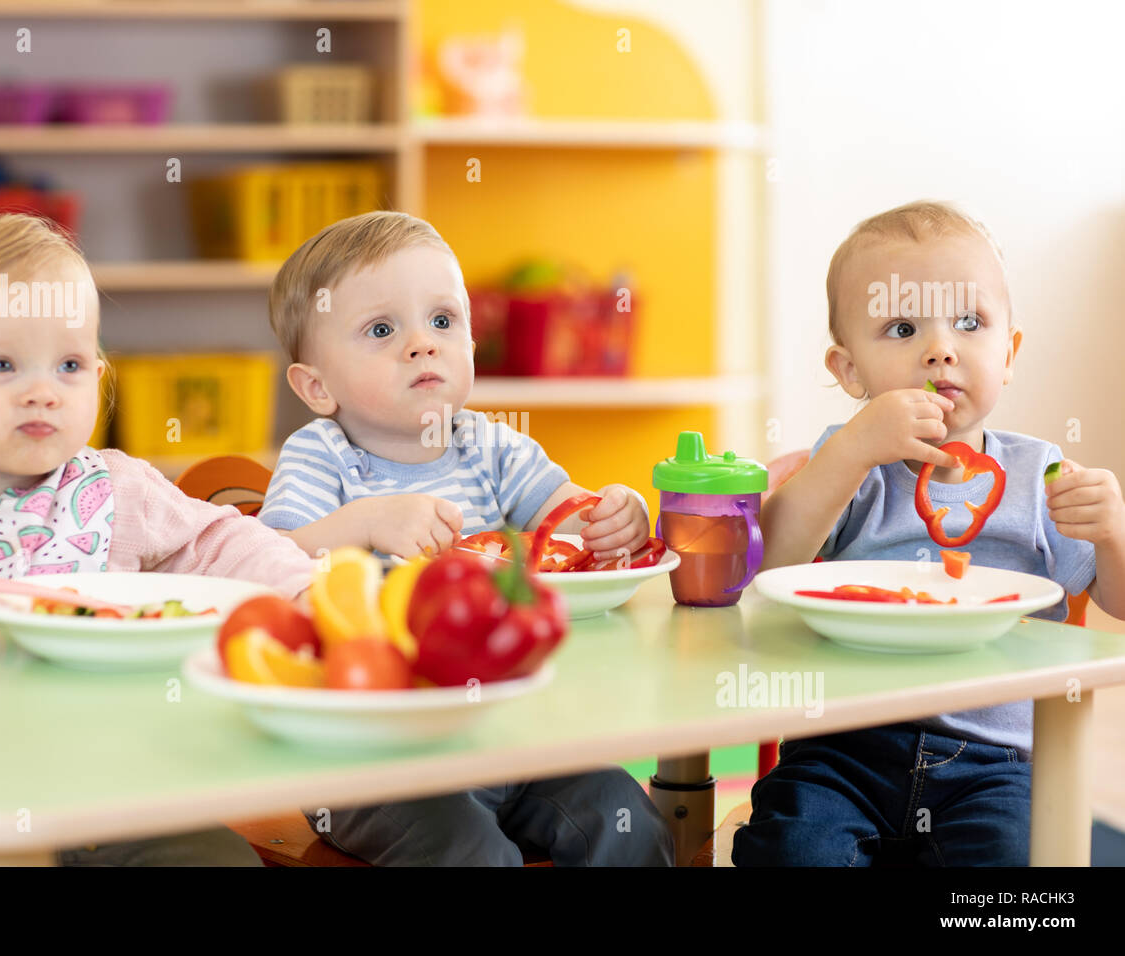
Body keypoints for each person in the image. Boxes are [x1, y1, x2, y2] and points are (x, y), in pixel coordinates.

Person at [0, 212, 316, 865]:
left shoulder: (121, 490)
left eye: (70, 365)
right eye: (2, 364)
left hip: (134, 792)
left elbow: (224, 543)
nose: (42, 392)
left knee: (219, 859)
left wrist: (303, 588)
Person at [259, 210, 674, 866]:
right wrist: (365, 523)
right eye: (381, 329)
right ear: (317, 386)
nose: (422, 344)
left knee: (631, 827)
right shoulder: (323, 454)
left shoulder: (494, 446)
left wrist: (615, 516)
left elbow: (570, 521)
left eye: (443, 321)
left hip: (517, 736)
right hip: (372, 765)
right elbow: (271, 562)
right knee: (474, 854)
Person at [734, 200, 1125, 866]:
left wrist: (1114, 536)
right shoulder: (847, 464)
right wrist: (851, 451)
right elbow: (766, 564)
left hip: (997, 762)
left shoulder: (1040, 475)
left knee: (1018, 865)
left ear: (1008, 353)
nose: (940, 348)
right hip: (842, 746)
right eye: (903, 326)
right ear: (850, 372)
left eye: (969, 323)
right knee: (789, 847)